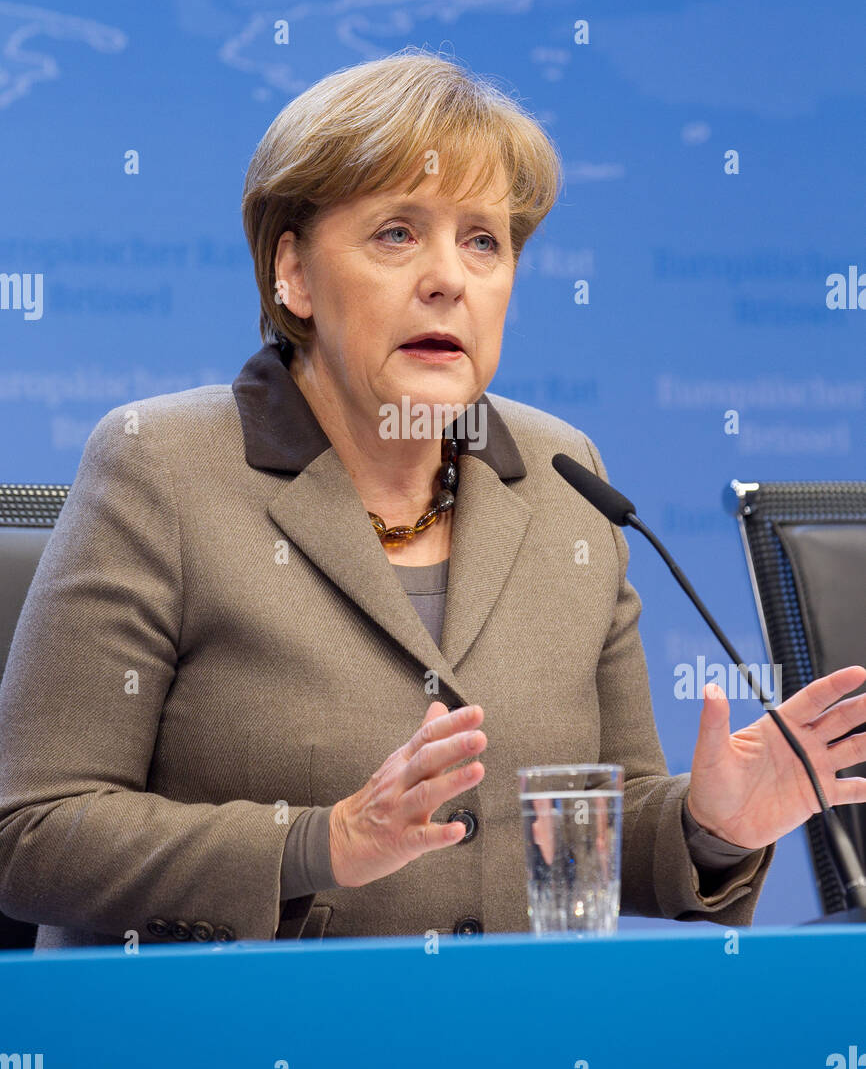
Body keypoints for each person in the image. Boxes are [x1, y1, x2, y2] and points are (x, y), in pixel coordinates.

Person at [1, 47, 865, 951]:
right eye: (397, 234)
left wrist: (708, 827)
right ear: (291, 273)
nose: (449, 277)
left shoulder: (565, 477)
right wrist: (319, 843)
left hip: (519, 1040)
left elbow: (598, 824)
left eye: (483, 241)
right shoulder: (162, 470)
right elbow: (32, 834)